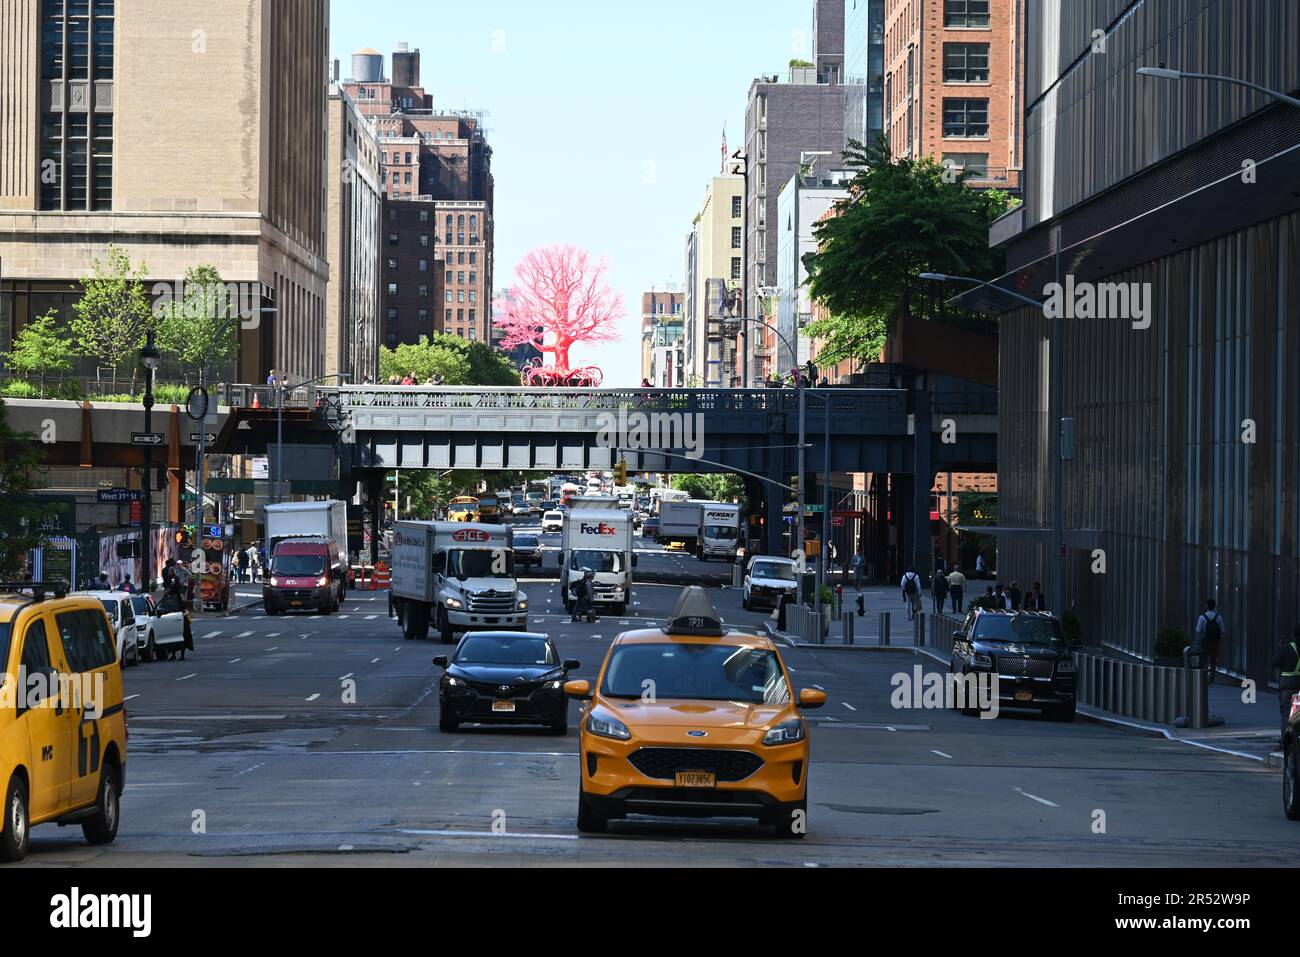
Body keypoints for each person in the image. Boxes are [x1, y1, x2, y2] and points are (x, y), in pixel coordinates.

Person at [1273, 626, 1300, 746]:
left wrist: (1281, 647)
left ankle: (1286, 741)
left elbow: (1275, 662)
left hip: (1288, 686)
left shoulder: (1286, 649)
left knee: (1286, 713)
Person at [1195, 599, 1225, 684]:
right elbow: (1223, 630)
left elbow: (1198, 630)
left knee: (1204, 658)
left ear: (1206, 605)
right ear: (1214, 606)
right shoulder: (1218, 617)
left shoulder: (1202, 617)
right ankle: (1211, 676)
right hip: (1215, 642)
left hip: (1205, 641)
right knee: (1213, 659)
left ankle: (1204, 676)